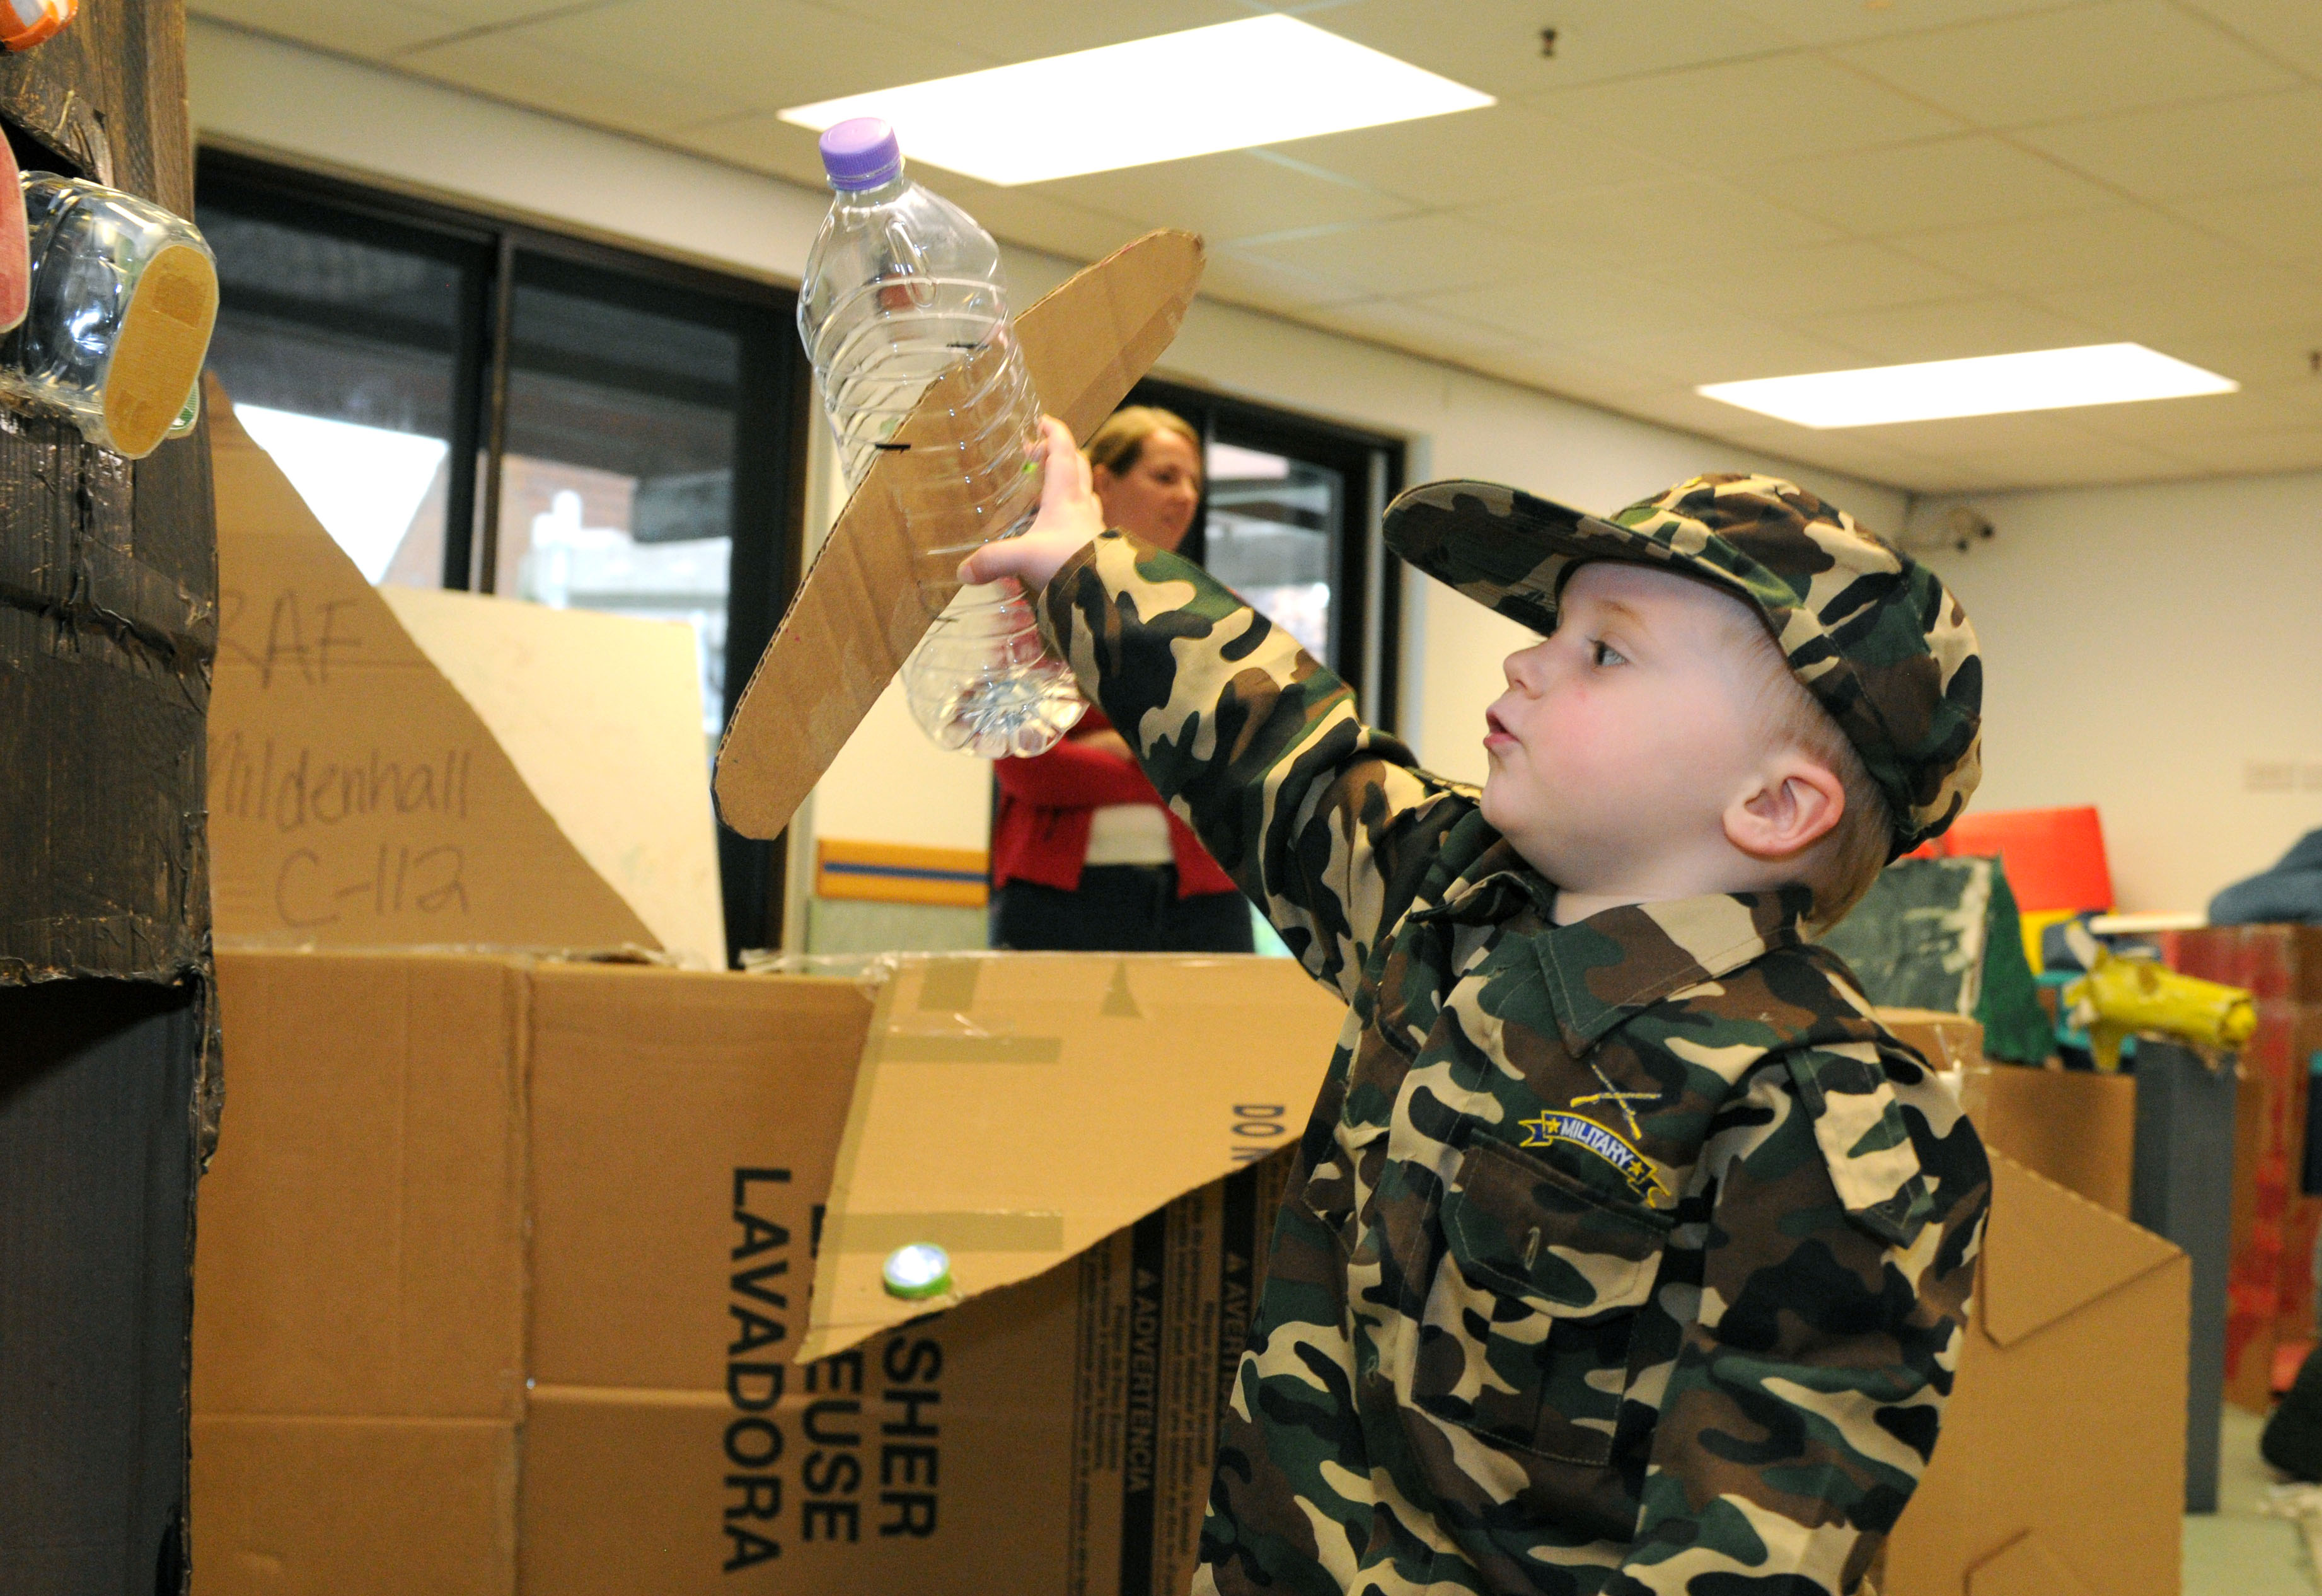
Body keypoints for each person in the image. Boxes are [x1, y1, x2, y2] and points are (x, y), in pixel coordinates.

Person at [966, 420, 1992, 1596]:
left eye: (1605, 653)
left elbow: (1757, 1543)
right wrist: (1081, 566)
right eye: (1550, 629)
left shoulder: (1819, 1101)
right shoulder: (1448, 903)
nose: (1527, 663)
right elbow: (1277, 744)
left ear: (1773, 805)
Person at [987, 405, 1253, 952]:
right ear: (1102, 482)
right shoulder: (1031, 604)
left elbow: (1238, 769)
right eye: (1164, 476)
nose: (1185, 496)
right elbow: (1025, 766)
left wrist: (1123, 751)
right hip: (1062, 900)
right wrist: (1169, 763)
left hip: (1205, 899)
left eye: (1194, 483)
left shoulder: (1220, 615)